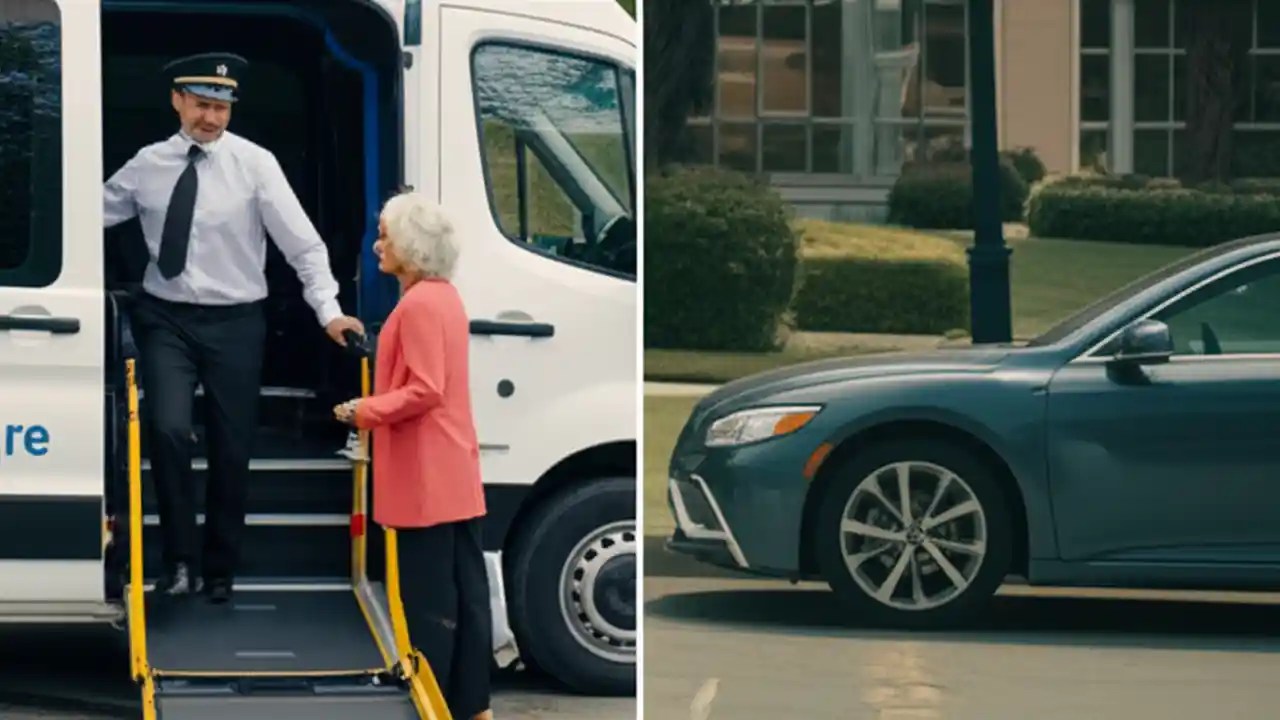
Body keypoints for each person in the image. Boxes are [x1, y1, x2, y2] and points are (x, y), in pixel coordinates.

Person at [103, 51, 364, 603]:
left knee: (231, 446)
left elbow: (303, 244)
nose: (212, 119)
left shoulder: (256, 164)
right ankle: (178, 563)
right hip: (166, 316)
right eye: (202, 105)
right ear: (177, 100)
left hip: (236, 322)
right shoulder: (147, 164)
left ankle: (219, 569)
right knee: (169, 430)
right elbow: (85, 218)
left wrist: (329, 310)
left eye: (222, 107)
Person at [333, 192, 493, 720]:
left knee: (430, 606)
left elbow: (425, 389)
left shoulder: (419, 304)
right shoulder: (445, 297)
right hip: (454, 469)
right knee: (467, 598)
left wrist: (365, 410)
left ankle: (435, 703)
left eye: (386, 235)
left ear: (412, 247)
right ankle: (472, 705)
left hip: (426, 473)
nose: (378, 245)